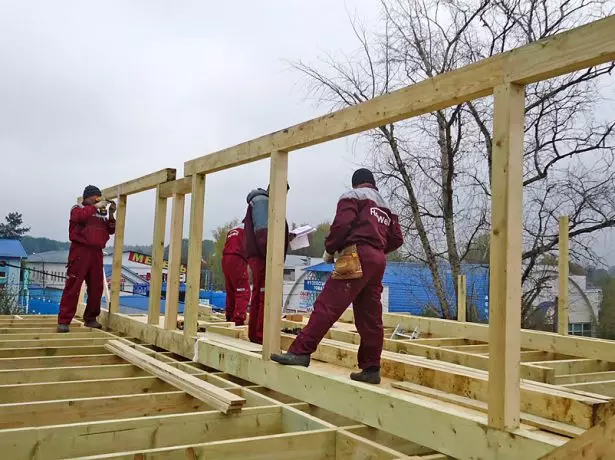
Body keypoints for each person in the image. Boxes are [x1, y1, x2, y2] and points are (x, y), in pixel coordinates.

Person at [271, 168, 403, 384]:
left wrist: (331, 249)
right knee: (370, 316)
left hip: (356, 254)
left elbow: (341, 225)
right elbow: (397, 239)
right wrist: (376, 249)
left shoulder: (353, 196)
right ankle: (371, 368)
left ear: (356, 183)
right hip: (377, 260)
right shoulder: (386, 206)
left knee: (328, 305)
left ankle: (300, 352)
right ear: (372, 183)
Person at [57, 185, 116, 332]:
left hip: (96, 252)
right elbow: (81, 217)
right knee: (73, 286)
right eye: (95, 197)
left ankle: (90, 318)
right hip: (80, 252)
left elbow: (111, 230)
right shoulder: (77, 209)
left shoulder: (99, 213)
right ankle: (64, 320)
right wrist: (95, 207)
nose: (97, 199)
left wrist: (110, 214)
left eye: (99, 197)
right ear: (87, 197)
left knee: (97, 287)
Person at [243, 183, 290, 344]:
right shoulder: (263, 202)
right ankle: (262, 336)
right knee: (265, 295)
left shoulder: (264, 203)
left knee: (259, 294)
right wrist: (272, 257)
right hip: (264, 257)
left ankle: (256, 334)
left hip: (260, 256)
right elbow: (263, 233)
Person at [221, 224, 250, 326]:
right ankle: (238, 320)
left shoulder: (233, 231)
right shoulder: (248, 230)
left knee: (231, 290)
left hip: (225, 259)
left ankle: (229, 317)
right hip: (237, 258)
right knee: (243, 290)